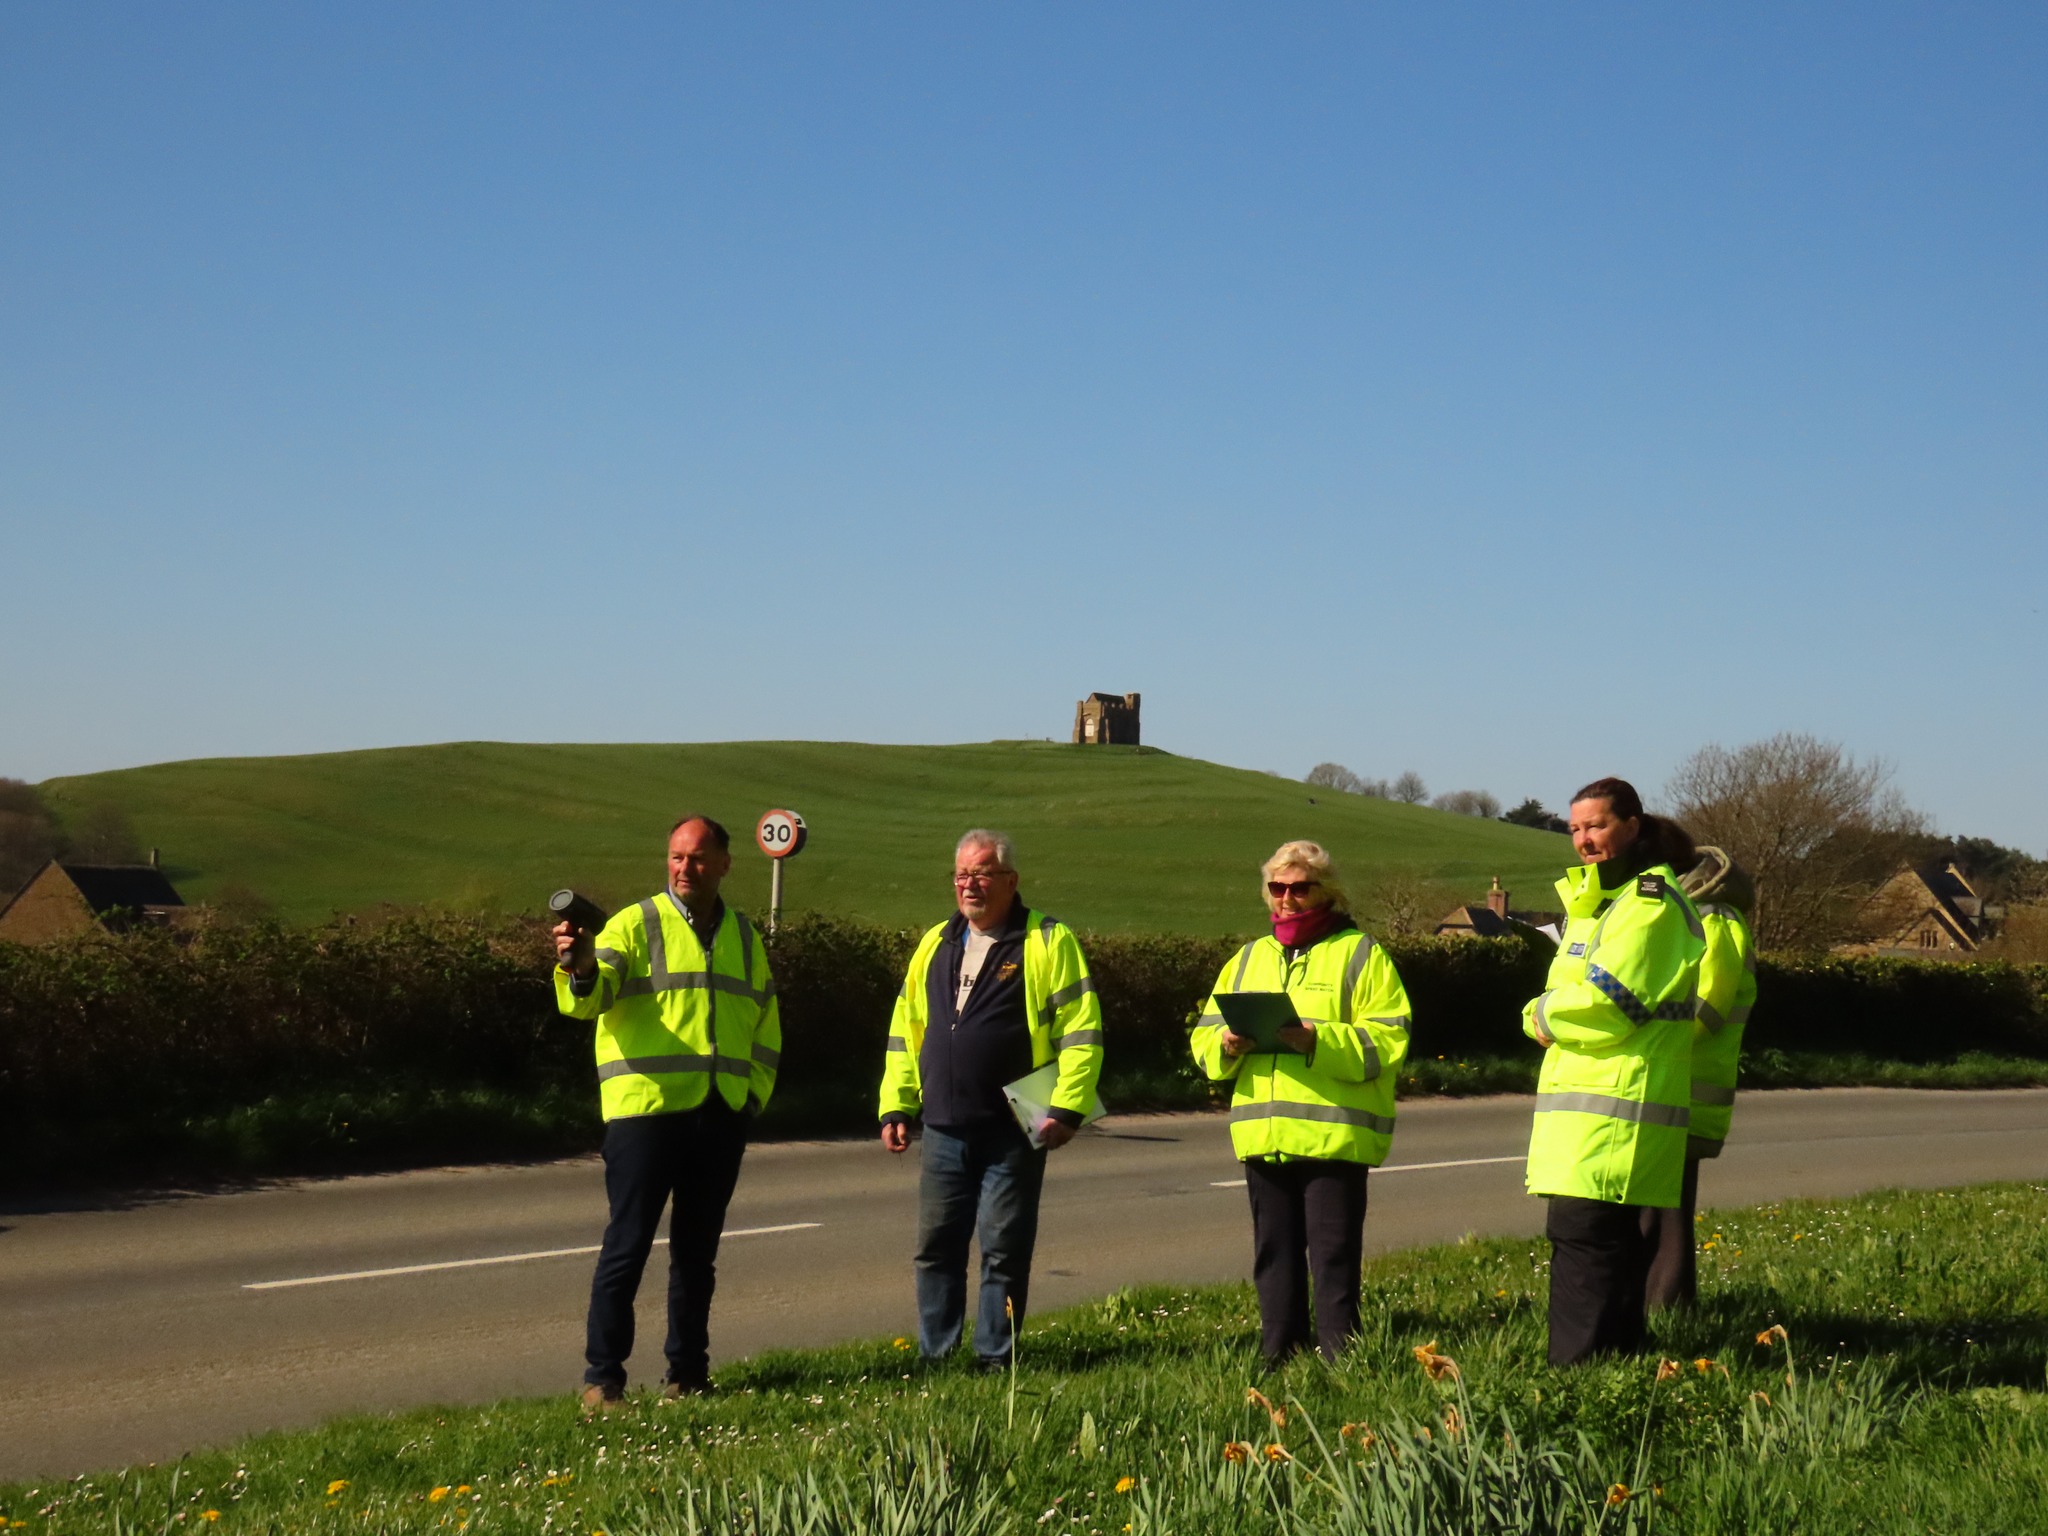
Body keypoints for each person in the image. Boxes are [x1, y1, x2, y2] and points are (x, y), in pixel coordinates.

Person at [551, 814, 780, 1411]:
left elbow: (765, 1026)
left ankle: (688, 1374)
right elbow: (591, 997)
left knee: (697, 1254)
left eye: (698, 858)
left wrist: (750, 1096)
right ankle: (603, 1381)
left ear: (725, 864)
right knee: (626, 1247)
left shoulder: (746, 937)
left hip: (718, 1113)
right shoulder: (634, 923)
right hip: (645, 1112)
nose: (685, 868)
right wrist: (575, 968)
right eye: (676, 857)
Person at [876, 830, 1105, 1369]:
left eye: (981, 873)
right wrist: (897, 1103)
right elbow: (905, 1031)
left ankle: (994, 1358)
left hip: (1013, 1127)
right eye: (961, 874)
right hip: (943, 1127)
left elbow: (1082, 1030)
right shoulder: (937, 941)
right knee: (936, 1248)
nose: (969, 884)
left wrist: (1068, 1107)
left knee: (1003, 1249)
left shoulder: (1047, 940)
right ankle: (935, 1356)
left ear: (1010, 880)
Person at [1189, 840, 1412, 1369]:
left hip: (1333, 1136)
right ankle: (1278, 1360)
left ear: (1325, 892)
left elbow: (1391, 1040)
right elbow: (1203, 1037)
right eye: (1277, 887)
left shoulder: (1361, 953)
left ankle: (1341, 1364)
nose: (1286, 898)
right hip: (1264, 1136)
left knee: (1333, 1259)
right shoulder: (1247, 958)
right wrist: (1225, 1046)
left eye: (1299, 887)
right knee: (1274, 1259)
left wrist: (1318, 1040)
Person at [1524, 778, 1704, 1366]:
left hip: (1613, 1118)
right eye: (1575, 828)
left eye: (1596, 825)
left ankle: (1574, 1383)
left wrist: (1538, 1014)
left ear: (1632, 824)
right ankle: (1615, 1373)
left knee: (1586, 1249)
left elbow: (1608, 1005)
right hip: (1595, 1119)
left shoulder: (1648, 905)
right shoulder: (1601, 903)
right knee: (1607, 1251)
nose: (1583, 840)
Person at [1642, 845, 1758, 1310]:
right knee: (1657, 1209)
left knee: (1667, 1213)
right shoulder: (1704, 916)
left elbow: (1707, 1007)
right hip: (1676, 1086)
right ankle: (1661, 1309)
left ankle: (1668, 1312)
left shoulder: (1715, 919)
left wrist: (1646, 1038)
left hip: (1686, 1090)